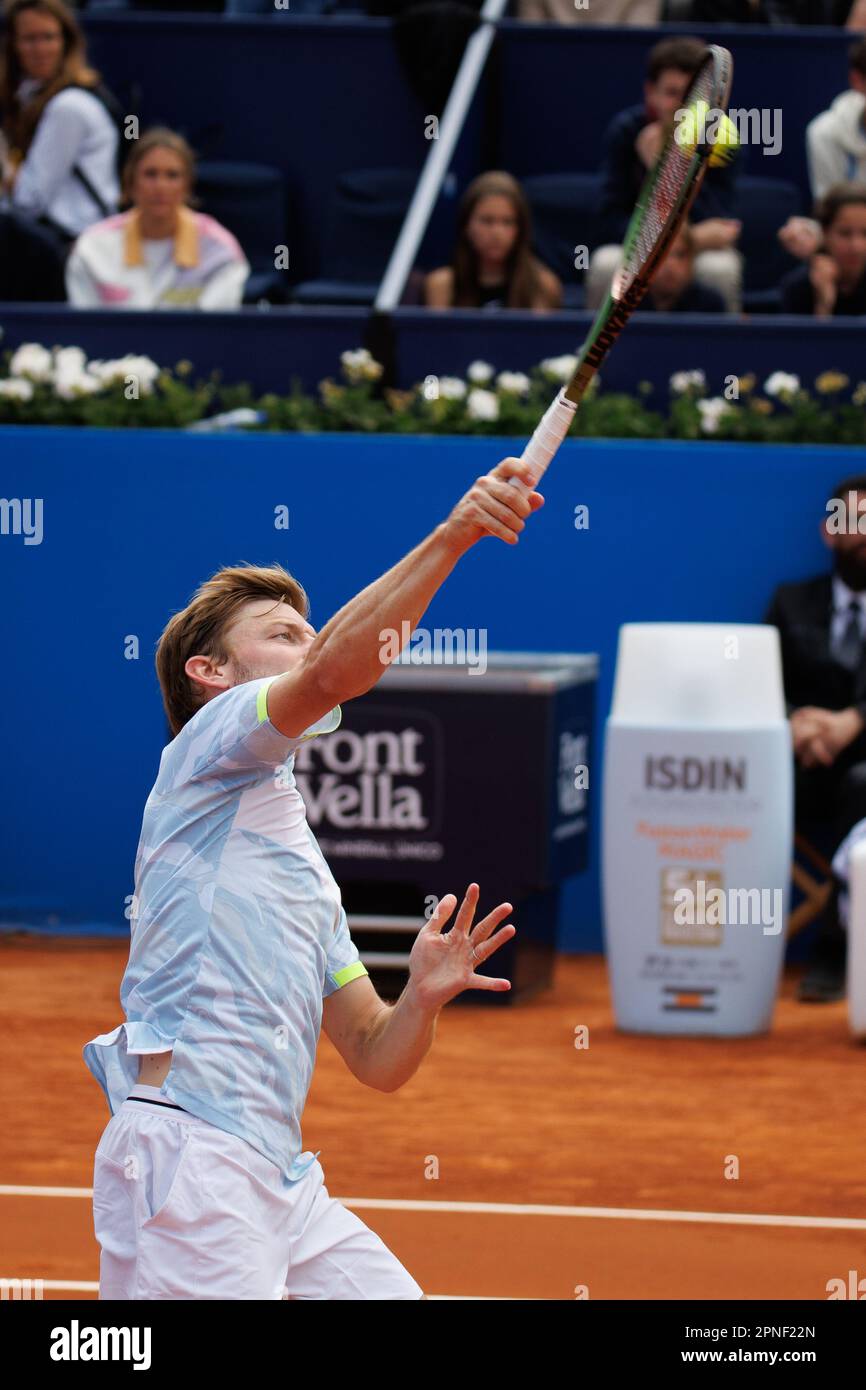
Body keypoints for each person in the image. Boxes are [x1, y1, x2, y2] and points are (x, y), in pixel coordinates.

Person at [83, 455, 545, 1300]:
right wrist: (456, 535)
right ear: (210, 673)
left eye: (308, 629)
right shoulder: (209, 748)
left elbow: (375, 1057)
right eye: (283, 633)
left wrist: (420, 997)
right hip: (193, 1162)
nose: (309, 644)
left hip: (278, 1179)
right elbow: (338, 668)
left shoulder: (305, 874)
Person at [764, 472, 866, 1002]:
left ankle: (832, 951)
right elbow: (759, 682)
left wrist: (857, 720)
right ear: (830, 531)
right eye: (855, 519)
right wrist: (797, 720)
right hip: (797, 768)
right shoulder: (790, 602)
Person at [586, 36, 742, 314]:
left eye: (690, 96)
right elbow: (608, 222)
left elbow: (723, 223)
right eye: (672, 93)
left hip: (695, 255)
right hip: (636, 247)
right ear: (651, 93)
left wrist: (671, 166)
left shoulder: (722, 138)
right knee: (605, 263)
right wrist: (654, 171)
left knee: (720, 269)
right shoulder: (626, 132)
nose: (681, 107)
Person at [0, 0, 120, 300]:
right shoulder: (30, 97)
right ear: (13, 46)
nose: (40, 48)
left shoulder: (68, 107)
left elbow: (29, 200)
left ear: (66, 43)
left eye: (49, 37)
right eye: (29, 39)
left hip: (71, 249)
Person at [65, 128, 250, 309]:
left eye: (172, 175)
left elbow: (214, 333)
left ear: (187, 185)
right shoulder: (91, 247)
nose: (160, 186)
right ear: (130, 182)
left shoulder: (220, 251)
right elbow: (86, 328)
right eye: (150, 174)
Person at [424, 170, 562, 311]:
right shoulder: (442, 285)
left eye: (508, 222)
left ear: (521, 229)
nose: (497, 233)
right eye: (487, 221)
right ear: (466, 225)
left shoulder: (543, 286)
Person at [779, 183, 866, 316]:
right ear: (825, 233)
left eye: (865, 233)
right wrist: (824, 302)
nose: (856, 246)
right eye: (845, 233)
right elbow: (805, 337)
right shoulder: (799, 287)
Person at [635, 223, 726, 312]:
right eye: (661, 255)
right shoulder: (628, 302)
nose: (670, 264)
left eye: (680, 255)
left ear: (691, 259)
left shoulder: (710, 304)